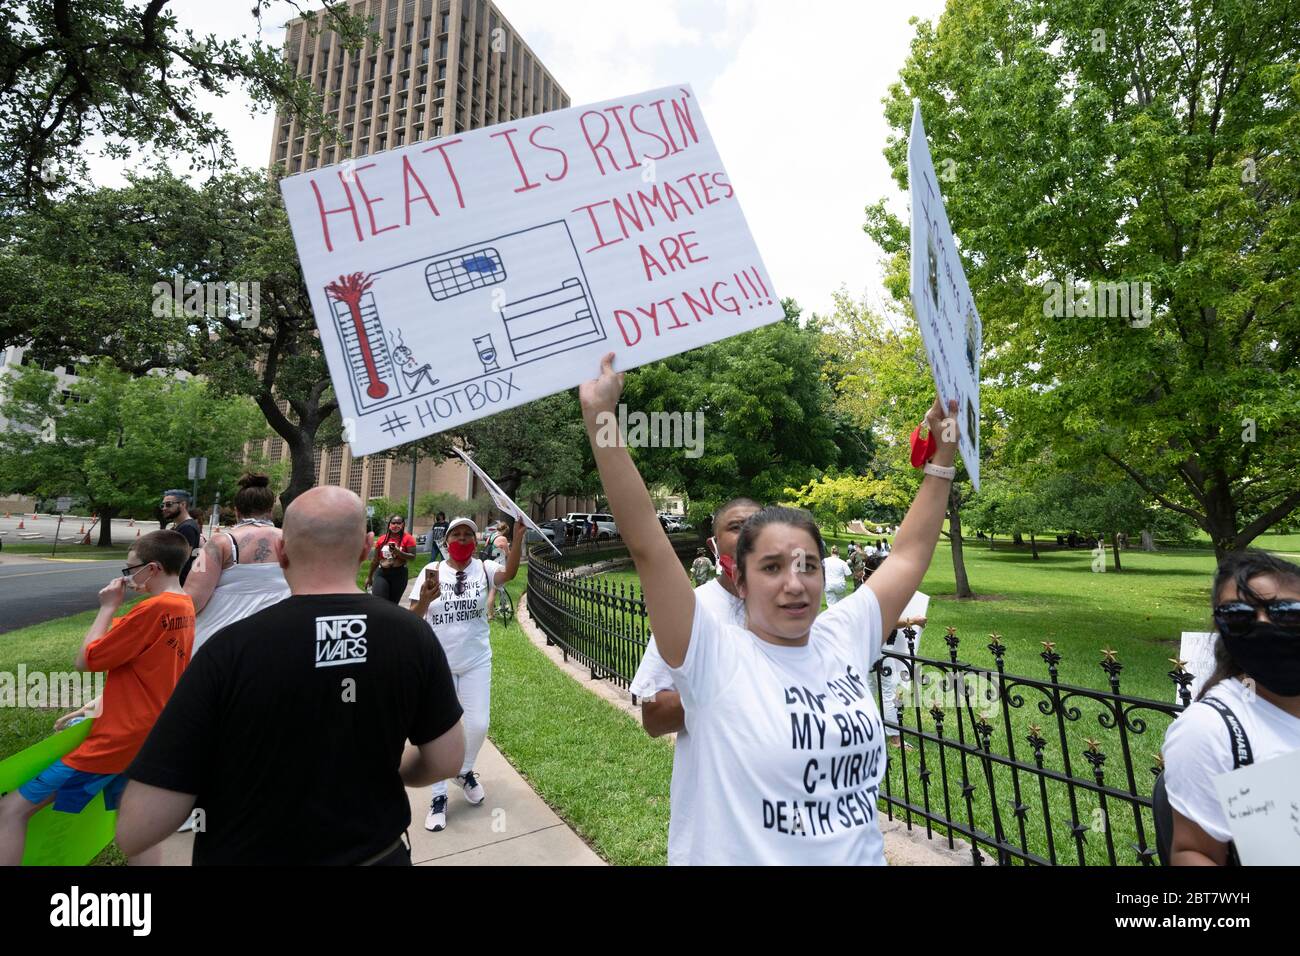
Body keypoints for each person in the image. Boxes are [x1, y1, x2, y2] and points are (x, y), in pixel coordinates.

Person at [581, 352, 959, 864]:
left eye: (808, 565)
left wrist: (943, 458)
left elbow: (910, 553)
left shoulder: (842, 635)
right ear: (739, 578)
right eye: (772, 567)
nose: (795, 584)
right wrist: (602, 418)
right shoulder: (712, 653)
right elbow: (647, 540)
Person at [115, 486, 466, 865]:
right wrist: (391, 765)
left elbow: (139, 827)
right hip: (378, 855)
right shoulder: (412, 635)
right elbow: (447, 759)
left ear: (282, 551)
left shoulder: (226, 651)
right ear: (367, 548)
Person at [0, 531, 195, 865]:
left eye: (129, 568)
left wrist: (107, 607)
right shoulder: (184, 605)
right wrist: (96, 704)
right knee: (134, 829)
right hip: (148, 733)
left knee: (11, 810)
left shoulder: (152, 609)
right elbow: (149, 668)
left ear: (152, 568)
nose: (127, 576)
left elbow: (86, 659)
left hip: (117, 740)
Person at [630, 496, 760, 865]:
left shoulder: (791, 611)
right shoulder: (691, 609)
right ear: (714, 544)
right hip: (709, 824)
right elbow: (654, 717)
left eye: (758, 524)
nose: (748, 533)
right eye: (736, 526)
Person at [1160, 551, 1300, 866]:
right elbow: (1192, 853)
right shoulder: (1211, 729)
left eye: (1288, 613)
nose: (1264, 625)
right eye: (1239, 616)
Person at [407, 515, 525, 833]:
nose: (462, 540)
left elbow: (510, 573)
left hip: (476, 660)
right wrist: (426, 602)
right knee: (438, 735)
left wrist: (518, 537)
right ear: (446, 542)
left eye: (467, 535)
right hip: (438, 665)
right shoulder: (431, 573)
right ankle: (438, 796)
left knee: (478, 724)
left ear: (475, 541)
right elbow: (412, 619)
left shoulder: (484, 569)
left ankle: (463, 771)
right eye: (456, 535)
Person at [184, 473, 291, 657]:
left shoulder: (219, 543)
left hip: (222, 641)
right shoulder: (292, 540)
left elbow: (191, 600)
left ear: (236, 510)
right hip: (279, 639)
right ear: (271, 509)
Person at [862, 553, 929, 751]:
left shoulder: (864, 589)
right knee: (888, 692)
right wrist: (913, 621)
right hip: (881, 649)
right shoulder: (878, 591)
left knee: (866, 690)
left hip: (867, 647)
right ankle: (895, 739)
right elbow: (886, 619)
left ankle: (858, 728)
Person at [364, 514, 417, 604]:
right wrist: (369, 577)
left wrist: (399, 553)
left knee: (392, 604)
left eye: (399, 523)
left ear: (403, 525)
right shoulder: (382, 539)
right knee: (379, 602)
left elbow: (412, 557)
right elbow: (375, 560)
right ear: (389, 525)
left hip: (399, 575)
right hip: (382, 573)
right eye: (393, 523)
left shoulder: (408, 538)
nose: (396, 525)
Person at [161, 490, 203, 585]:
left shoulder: (187, 527)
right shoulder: (181, 526)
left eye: (168, 504)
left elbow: (182, 559)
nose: (164, 508)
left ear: (183, 505)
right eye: (163, 505)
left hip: (178, 583)